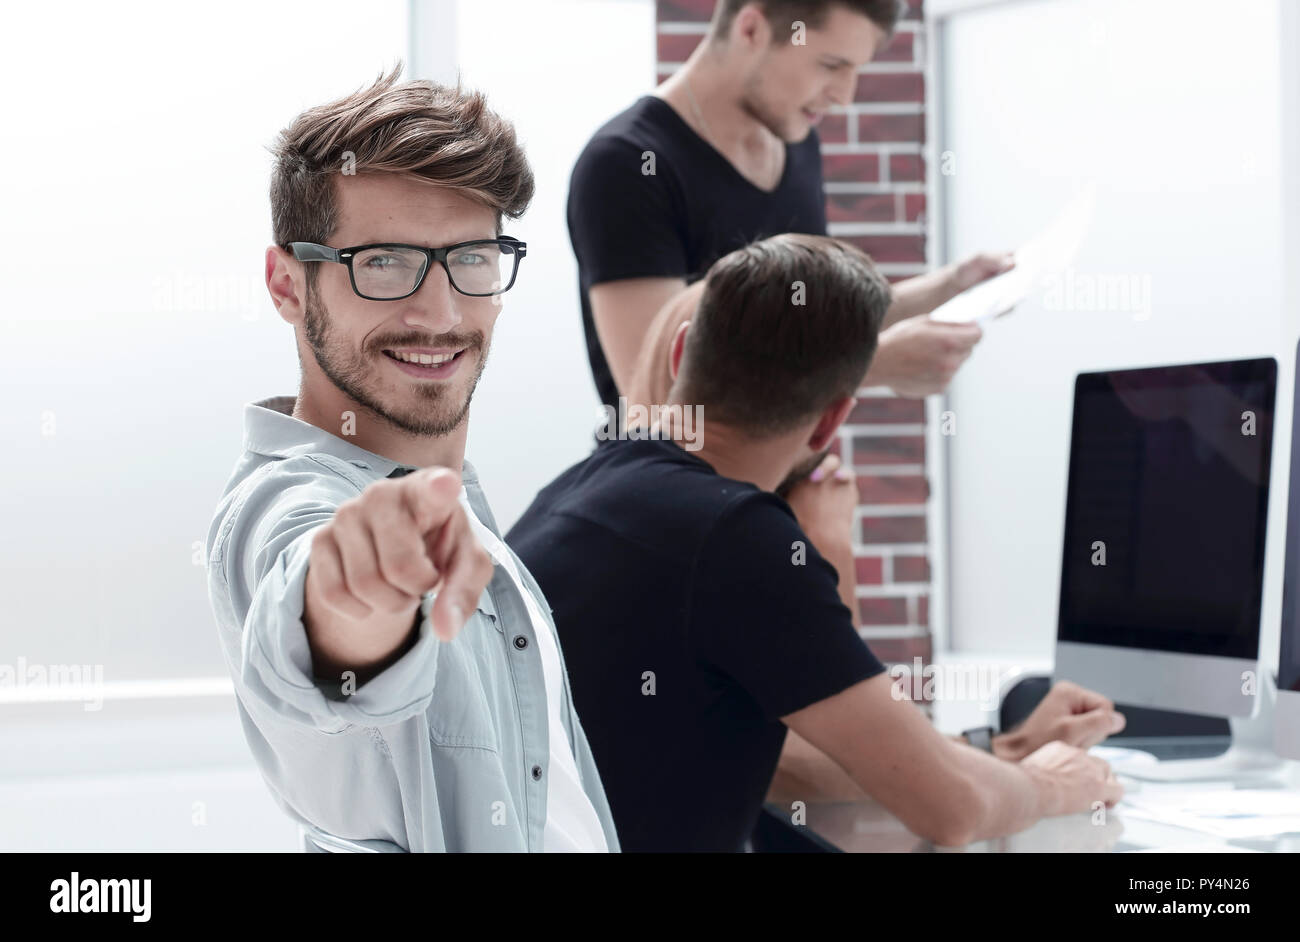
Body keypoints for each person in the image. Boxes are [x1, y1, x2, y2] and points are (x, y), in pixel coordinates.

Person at [508, 234, 1123, 852]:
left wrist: (1003, 749)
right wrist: (1047, 784)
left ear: (681, 350)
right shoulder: (737, 539)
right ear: (833, 420)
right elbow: (951, 810)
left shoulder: (582, 487)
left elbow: (818, 747)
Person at [205, 66, 619, 853]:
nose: (441, 313)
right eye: (385, 263)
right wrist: (355, 587)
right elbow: (317, 600)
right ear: (287, 285)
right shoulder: (287, 505)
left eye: (471, 258)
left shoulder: (463, 516)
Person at [568, 0, 1012, 415]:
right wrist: (868, 367)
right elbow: (659, 393)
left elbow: (816, 322)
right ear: (752, 28)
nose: (845, 95)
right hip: (675, 494)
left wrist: (951, 286)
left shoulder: (794, 140)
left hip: (786, 492)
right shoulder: (628, 165)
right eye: (831, 65)